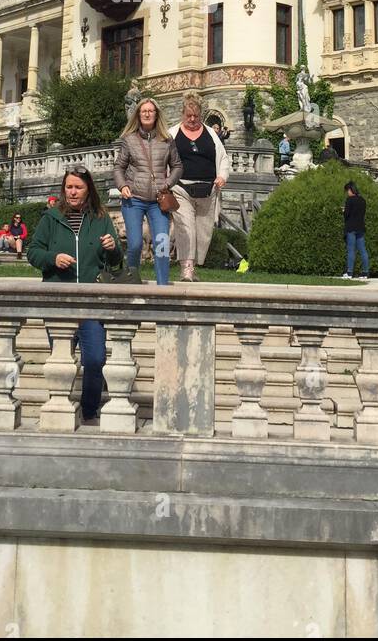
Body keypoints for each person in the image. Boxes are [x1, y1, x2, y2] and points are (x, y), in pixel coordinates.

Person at [28, 167, 123, 425]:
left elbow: (116, 264)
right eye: (69, 187)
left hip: (91, 301)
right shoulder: (51, 218)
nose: (72, 192)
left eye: (78, 187)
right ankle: (59, 405)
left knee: (95, 359)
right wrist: (52, 258)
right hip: (60, 300)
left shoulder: (101, 219)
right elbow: (33, 252)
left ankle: (89, 409)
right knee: (61, 359)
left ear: (88, 190)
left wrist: (113, 249)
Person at [114, 98, 181, 285]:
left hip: (158, 202)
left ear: (156, 114)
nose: (147, 113)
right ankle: (132, 282)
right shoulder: (129, 140)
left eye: (151, 110)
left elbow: (177, 166)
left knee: (161, 244)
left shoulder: (167, 140)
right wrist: (122, 186)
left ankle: (162, 287)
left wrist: (167, 183)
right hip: (133, 199)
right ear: (138, 114)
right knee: (134, 245)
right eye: (143, 110)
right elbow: (119, 167)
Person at [168, 94, 229, 282]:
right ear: (182, 114)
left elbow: (223, 158)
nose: (192, 119)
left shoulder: (211, 133)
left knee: (203, 232)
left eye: (196, 115)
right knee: (186, 228)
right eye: (189, 115)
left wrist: (222, 176)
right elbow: (163, 160)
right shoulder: (172, 134)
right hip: (181, 188)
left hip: (207, 190)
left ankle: (193, 266)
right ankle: (186, 269)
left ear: (200, 114)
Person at [343, 180, 370, 280]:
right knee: (363, 250)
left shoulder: (349, 200)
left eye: (347, 191)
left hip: (351, 227)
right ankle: (365, 272)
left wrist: (343, 211)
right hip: (360, 227)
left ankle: (349, 272)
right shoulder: (362, 200)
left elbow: (347, 214)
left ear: (350, 190)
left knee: (351, 250)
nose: (347, 193)